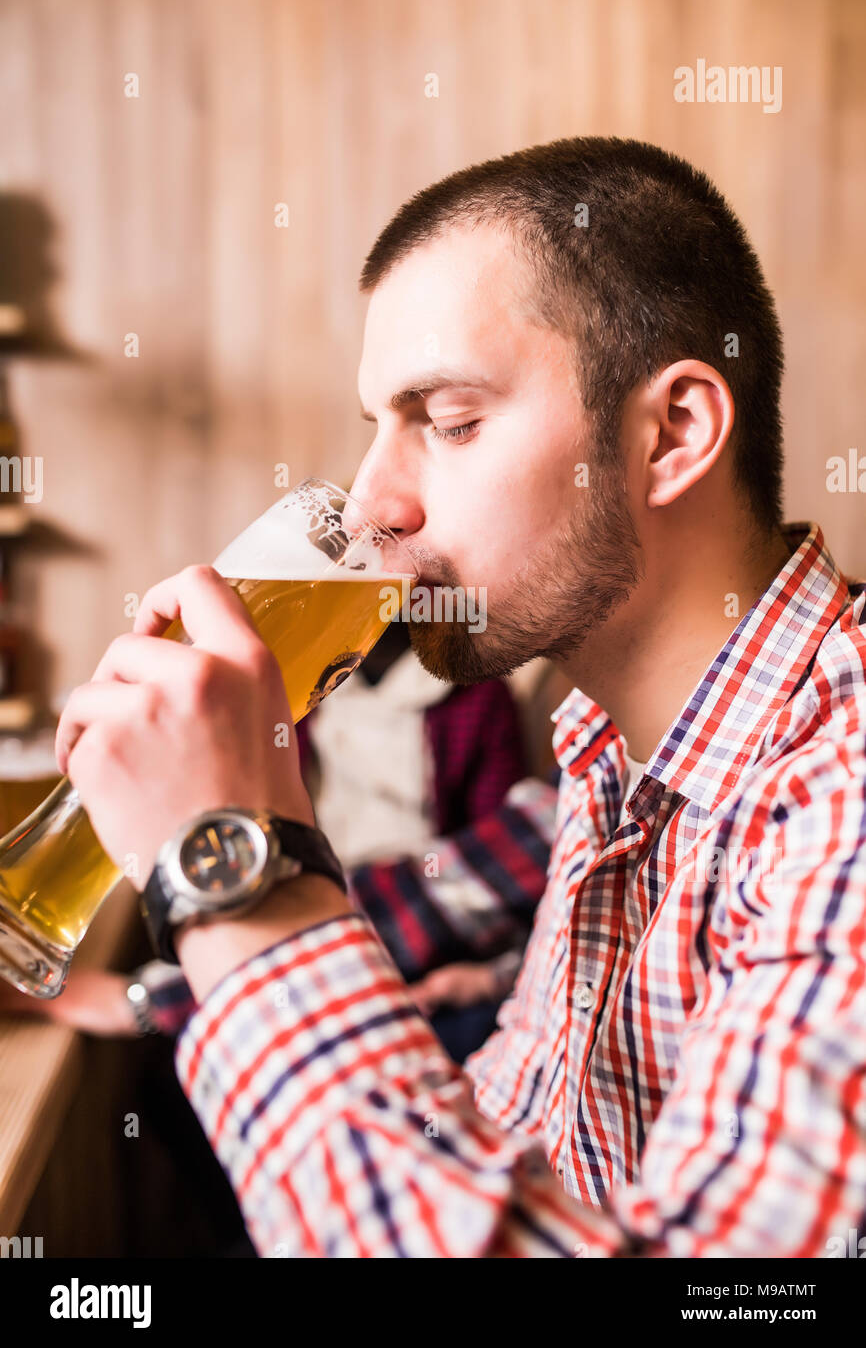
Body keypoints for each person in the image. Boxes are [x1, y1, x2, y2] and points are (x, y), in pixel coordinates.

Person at [51, 136, 866, 1257]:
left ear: (670, 433)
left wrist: (238, 869)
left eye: (447, 420)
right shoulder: (616, 755)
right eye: (375, 428)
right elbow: (512, 1133)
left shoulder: (842, 782)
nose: (374, 502)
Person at [3, 620, 552, 1065]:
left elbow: (468, 877)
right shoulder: (298, 683)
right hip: (322, 899)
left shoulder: (478, 699)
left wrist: (490, 973)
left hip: (407, 932)